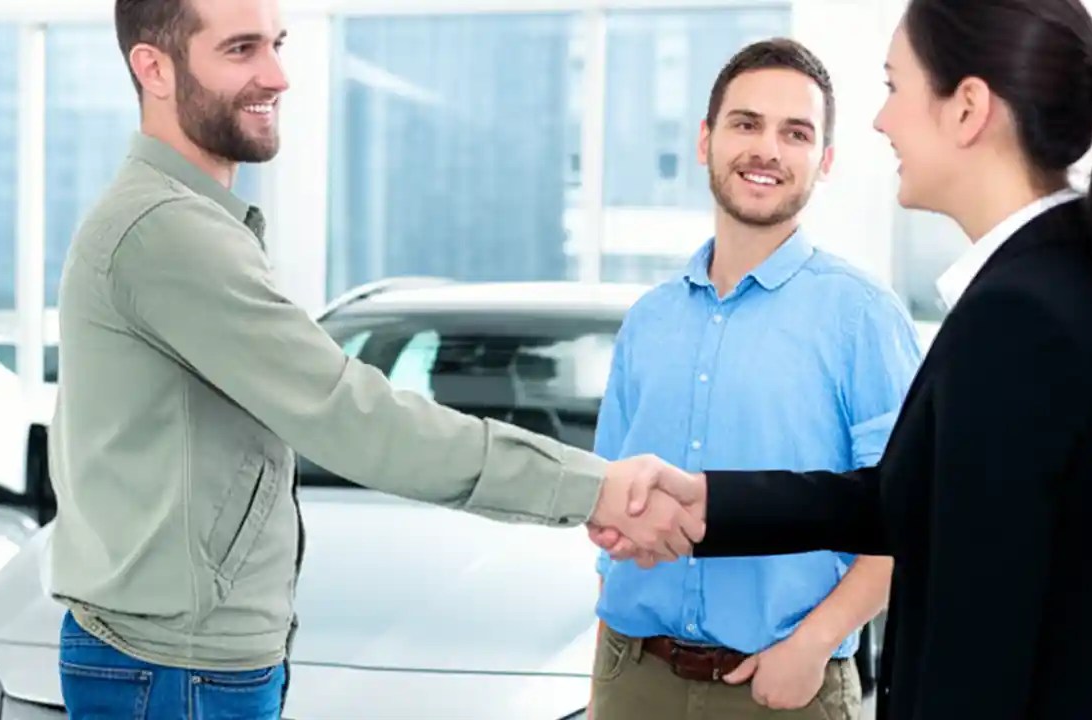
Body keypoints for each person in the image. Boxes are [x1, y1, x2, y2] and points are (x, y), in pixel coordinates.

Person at [50, 1, 700, 717]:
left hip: (182, 660)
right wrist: (595, 488)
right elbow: (354, 416)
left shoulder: (187, 221)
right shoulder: (166, 231)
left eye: (278, 44)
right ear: (154, 68)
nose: (278, 75)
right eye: (241, 50)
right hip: (172, 670)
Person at [601, 1, 1092, 718]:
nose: (880, 122)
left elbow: (980, 633)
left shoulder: (1021, 318)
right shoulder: (1045, 287)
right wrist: (715, 499)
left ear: (967, 109)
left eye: (894, 87)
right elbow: (911, 502)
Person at [588, 38, 920, 720]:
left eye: (794, 133)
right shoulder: (647, 321)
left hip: (783, 690)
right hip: (631, 675)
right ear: (706, 140)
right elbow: (611, 511)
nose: (767, 150)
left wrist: (816, 644)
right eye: (746, 124)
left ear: (823, 161)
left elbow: (912, 514)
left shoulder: (863, 318)